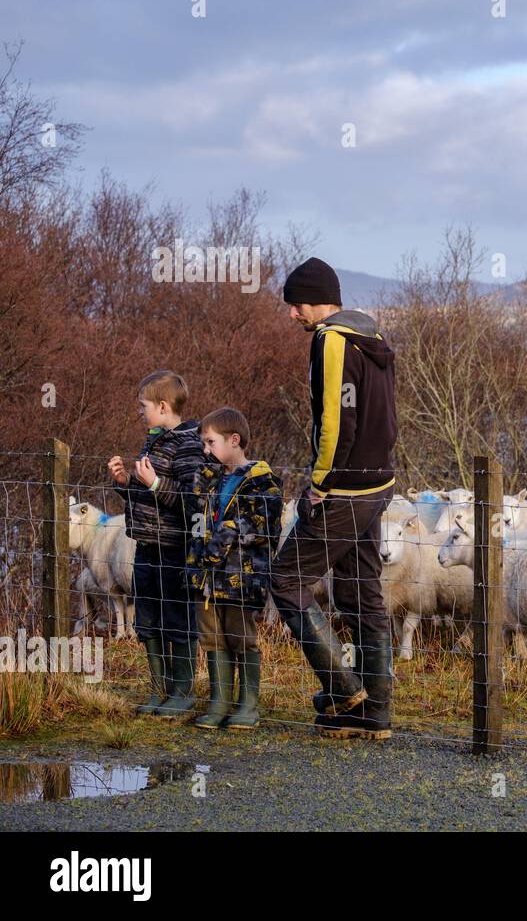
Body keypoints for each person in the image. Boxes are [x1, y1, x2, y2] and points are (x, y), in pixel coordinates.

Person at [268, 257, 399, 739]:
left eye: (294, 305)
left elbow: (335, 420)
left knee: (285, 578)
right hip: (377, 484)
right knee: (359, 591)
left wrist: (318, 484)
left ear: (313, 300)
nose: (291, 315)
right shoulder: (375, 338)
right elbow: (382, 416)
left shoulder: (332, 340)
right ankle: (374, 713)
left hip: (342, 488)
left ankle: (343, 689)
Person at [107, 370, 210, 718]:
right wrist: (124, 483)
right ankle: (159, 690)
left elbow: (193, 502)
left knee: (177, 620)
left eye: (144, 406)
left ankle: (183, 693)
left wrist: (154, 484)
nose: (140, 412)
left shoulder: (190, 444)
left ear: (163, 406)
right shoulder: (153, 440)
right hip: (146, 545)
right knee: (147, 619)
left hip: (175, 549)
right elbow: (146, 496)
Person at [187, 407, 283, 730]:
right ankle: (219, 702)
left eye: (210, 442)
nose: (205, 449)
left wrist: (227, 531)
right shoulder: (207, 480)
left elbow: (266, 526)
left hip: (241, 577)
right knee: (212, 636)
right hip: (207, 577)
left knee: (241, 636)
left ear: (234, 440)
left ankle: (248, 705)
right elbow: (197, 523)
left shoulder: (262, 481)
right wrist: (197, 562)